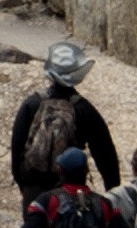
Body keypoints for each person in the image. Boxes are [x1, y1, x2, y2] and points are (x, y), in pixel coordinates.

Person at [8, 42, 125, 204]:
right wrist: (112, 192)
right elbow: (105, 154)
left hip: (34, 191)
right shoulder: (84, 110)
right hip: (70, 192)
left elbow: (16, 148)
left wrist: (25, 185)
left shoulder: (31, 104)